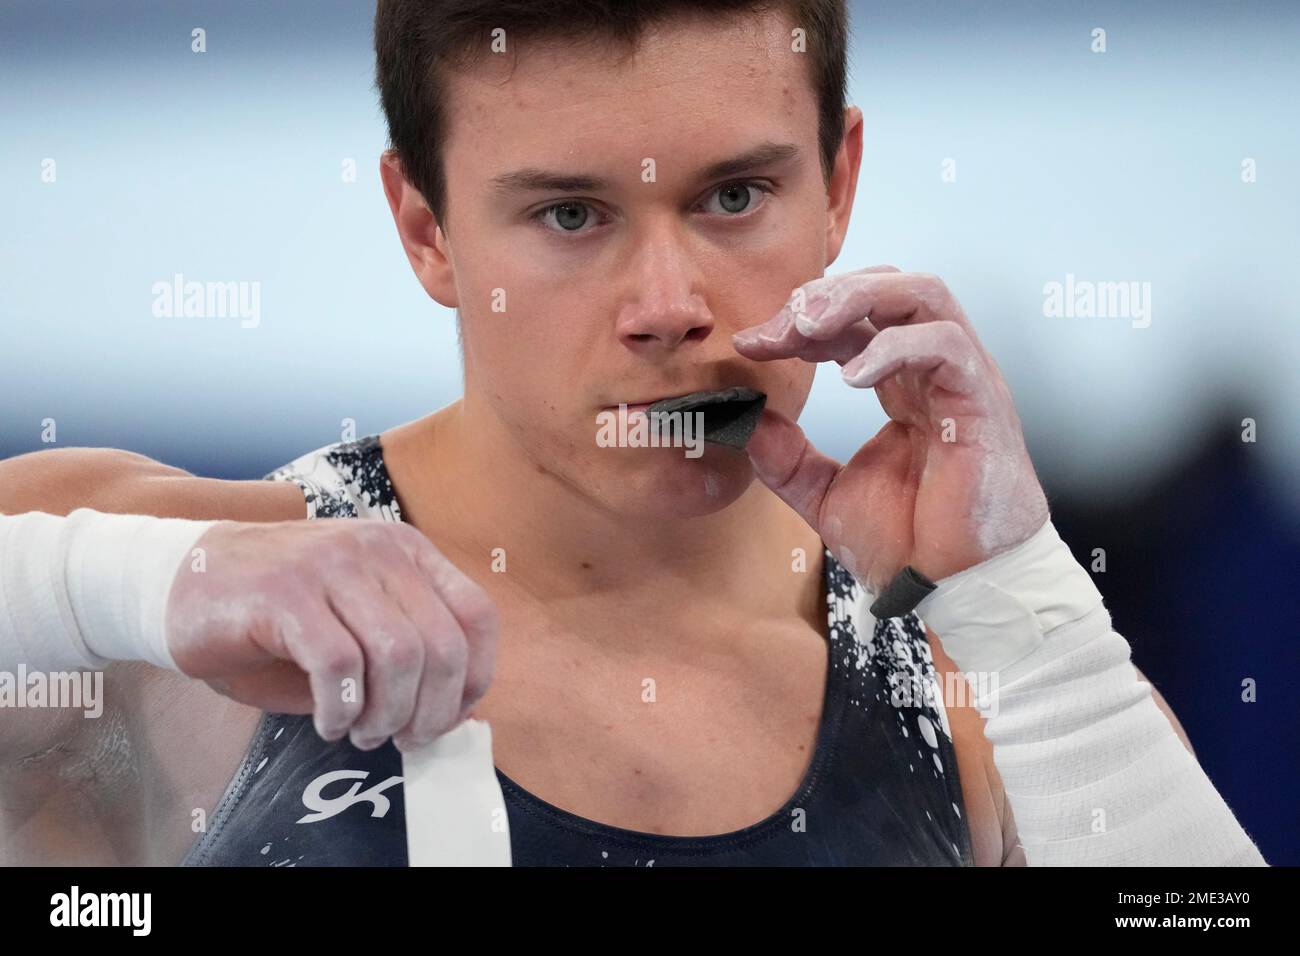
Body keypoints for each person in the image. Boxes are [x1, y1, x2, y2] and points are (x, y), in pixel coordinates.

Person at [0, 0, 1263, 867]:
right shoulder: (186, 595)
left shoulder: (978, 677)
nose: (671, 309)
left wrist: (1015, 596)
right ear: (425, 227)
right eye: (568, 216)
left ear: (840, 183)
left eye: (734, 195)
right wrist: (135, 583)